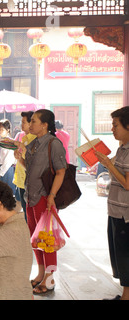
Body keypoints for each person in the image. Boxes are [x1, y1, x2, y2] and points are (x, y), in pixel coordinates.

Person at [14, 109, 67, 295]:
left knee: (47, 240)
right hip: (30, 196)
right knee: (35, 238)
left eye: (34, 121)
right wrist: (20, 159)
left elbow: (61, 172)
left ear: (44, 125)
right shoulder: (34, 143)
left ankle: (49, 280)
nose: (30, 125)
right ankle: (41, 273)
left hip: (45, 197)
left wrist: (52, 195)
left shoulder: (54, 144)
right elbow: (30, 169)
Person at [95, 106, 129, 301]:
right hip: (115, 209)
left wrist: (108, 164)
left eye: (116, 125)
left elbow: (127, 183)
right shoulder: (122, 148)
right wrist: (107, 162)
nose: (112, 129)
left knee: (125, 256)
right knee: (119, 256)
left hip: (125, 214)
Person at [13, 111, 36, 220]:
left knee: (29, 213)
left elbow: (31, 163)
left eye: (24, 122)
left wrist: (19, 145)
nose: (21, 125)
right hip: (22, 179)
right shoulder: (25, 138)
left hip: (28, 181)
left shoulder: (33, 139)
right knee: (25, 209)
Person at [0, 119, 16, 195]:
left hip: (7, 170)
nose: (0, 131)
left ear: (8, 130)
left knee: (6, 193)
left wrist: (0, 173)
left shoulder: (10, 142)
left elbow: (9, 160)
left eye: (2, 129)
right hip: (0, 168)